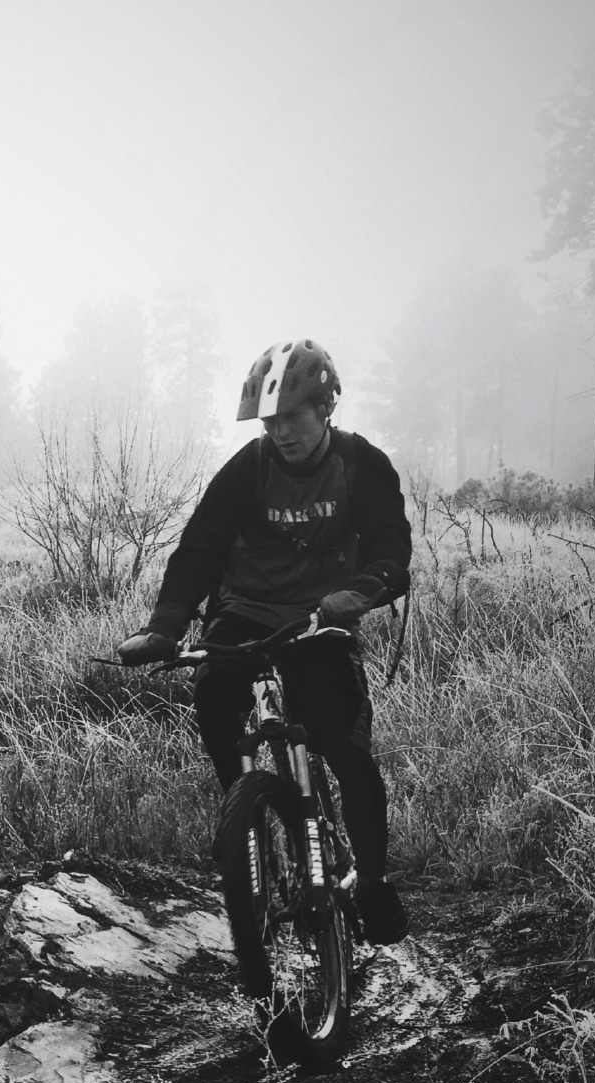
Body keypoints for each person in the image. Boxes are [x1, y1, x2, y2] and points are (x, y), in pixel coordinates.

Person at [115, 339, 412, 944]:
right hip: (245, 614)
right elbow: (199, 550)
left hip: (319, 621)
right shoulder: (247, 470)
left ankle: (374, 884)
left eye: (292, 418)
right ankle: (244, 814)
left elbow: (391, 549)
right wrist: (166, 626)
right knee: (213, 690)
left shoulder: (362, 464)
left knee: (348, 751)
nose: (279, 432)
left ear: (325, 408)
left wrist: (362, 591)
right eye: (270, 420)